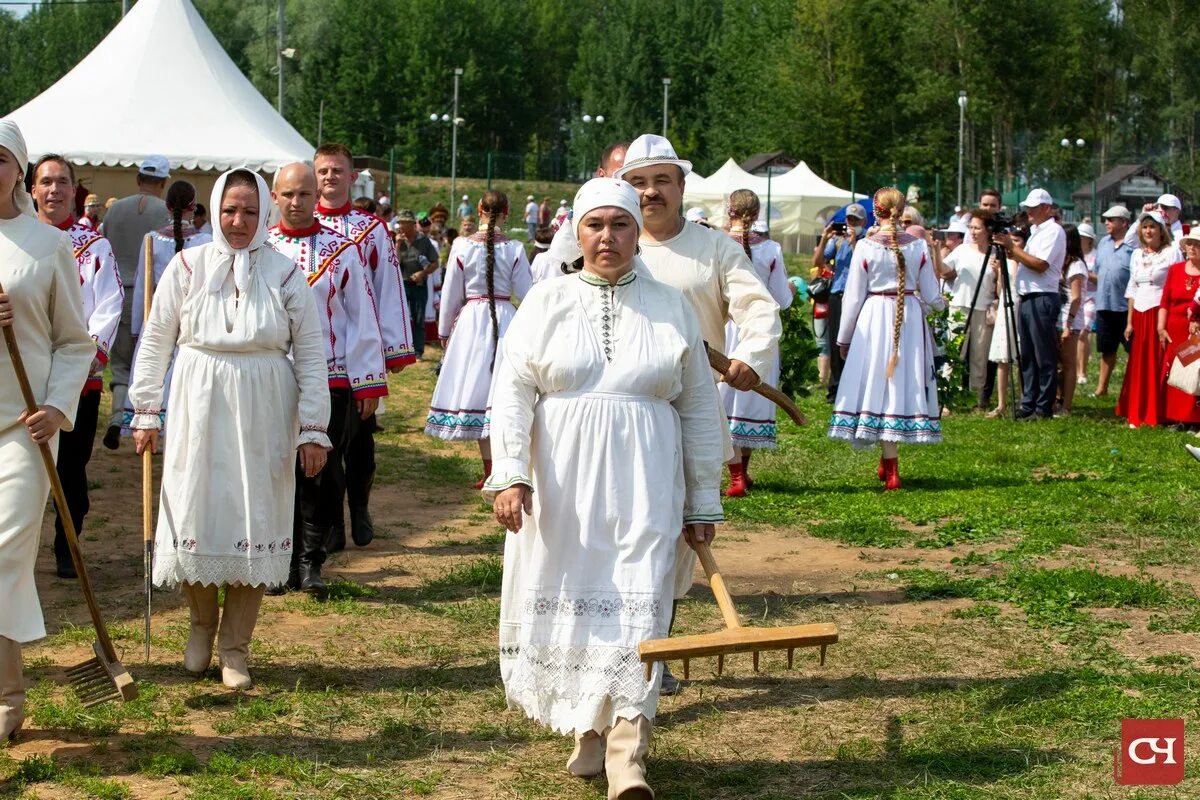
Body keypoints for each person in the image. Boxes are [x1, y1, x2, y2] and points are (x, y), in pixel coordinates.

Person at [486, 178, 724, 799]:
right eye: (596, 225)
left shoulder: (671, 304)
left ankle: (628, 751)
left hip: (647, 481)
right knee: (579, 605)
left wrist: (703, 497)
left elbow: (699, 408)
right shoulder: (546, 302)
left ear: (635, 231)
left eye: (620, 225)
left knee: (640, 603)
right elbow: (510, 393)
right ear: (578, 232)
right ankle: (587, 729)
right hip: (563, 487)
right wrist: (510, 473)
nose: (608, 237)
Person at [128, 169, 331, 689]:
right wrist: (146, 409)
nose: (238, 221)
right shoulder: (186, 266)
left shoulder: (285, 274)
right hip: (198, 398)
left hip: (265, 404)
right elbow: (156, 339)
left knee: (253, 514)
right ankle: (200, 627)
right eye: (228, 210)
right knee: (198, 505)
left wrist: (313, 427)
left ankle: (234, 646)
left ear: (264, 213)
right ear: (214, 211)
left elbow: (310, 353)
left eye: (248, 211)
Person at [614, 133, 779, 696]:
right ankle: (618, 653)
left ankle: (655, 651)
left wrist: (749, 359)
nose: (651, 193)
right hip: (617, 414)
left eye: (662, 181)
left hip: (690, 410)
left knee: (678, 536)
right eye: (639, 183)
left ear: (682, 188)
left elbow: (757, 306)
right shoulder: (608, 244)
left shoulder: (713, 249)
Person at [0, 120, 96, 740]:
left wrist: (59, 408)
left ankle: (6, 693)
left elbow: (74, 341)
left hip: (23, 427)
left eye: (0, 159)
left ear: (18, 170)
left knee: (2, 554)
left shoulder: (45, 243)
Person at [267, 163, 387, 594]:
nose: (296, 203)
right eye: (287, 195)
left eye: (304, 194)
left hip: (331, 377)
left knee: (320, 470)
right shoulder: (261, 249)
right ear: (275, 197)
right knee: (277, 469)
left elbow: (361, 318)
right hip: (271, 375)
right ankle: (279, 560)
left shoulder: (343, 250)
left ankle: (310, 562)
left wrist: (368, 381)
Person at [314, 142, 414, 549]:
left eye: (338, 170)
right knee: (325, 438)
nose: (329, 177)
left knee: (360, 436)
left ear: (353, 177)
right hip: (318, 349)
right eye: (323, 170)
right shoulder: (302, 223)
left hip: (361, 348)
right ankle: (332, 519)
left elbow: (388, 288)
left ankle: (359, 506)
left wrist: (391, 349)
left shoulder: (370, 230)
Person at [31, 155, 124, 579]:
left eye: (62, 182)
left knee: (70, 468)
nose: (54, 190)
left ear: (75, 191)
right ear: (32, 189)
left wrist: (88, 358)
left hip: (76, 381)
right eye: (45, 182)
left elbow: (108, 305)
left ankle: (67, 543)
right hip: (21, 375)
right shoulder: (16, 240)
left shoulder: (94, 247)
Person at [829, 187, 944, 488]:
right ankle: (890, 466)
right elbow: (932, 296)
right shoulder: (918, 246)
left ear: (876, 212)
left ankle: (890, 467)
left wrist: (844, 339)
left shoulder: (866, 246)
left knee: (879, 384)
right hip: (909, 316)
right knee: (901, 382)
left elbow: (853, 297)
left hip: (874, 316)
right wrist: (936, 308)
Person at [426, 191, 532, 487]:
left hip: (472, 322)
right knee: (502, 395)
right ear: (506, 212)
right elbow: (528, 293)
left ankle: (490, 470)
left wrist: (445, 331)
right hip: (506, 319)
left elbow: (449, 295)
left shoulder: (461, 246)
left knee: (480, 392)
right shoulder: (514, 248)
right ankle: (499, 468)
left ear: (480, 210)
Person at [121, 181, 213, 441]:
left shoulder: (152, 239)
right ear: (193, 208)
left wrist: (139, 328)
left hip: (159, 318)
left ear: (167, 205)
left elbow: (142, 286)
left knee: (158, 370)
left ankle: (157, 425)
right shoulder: (206, 240)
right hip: (194, 321)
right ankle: (176, 428)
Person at [720, 190, 792, 496]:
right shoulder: (771, 249)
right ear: (758, 211)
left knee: (722, 399)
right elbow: (783, 299)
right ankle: (743, 473)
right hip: (758, 330)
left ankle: (735, 475)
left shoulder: (717, 243)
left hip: (724, 328)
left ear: (729, 210)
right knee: (752, 394)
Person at [98, 155, 170, 450]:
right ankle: (154, 423)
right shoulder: (166, 212)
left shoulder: (115, 209)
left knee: (121, 364)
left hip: (119, 292)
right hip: (153, 295)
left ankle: (118, 416)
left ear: (139, 179)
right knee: (158, 362)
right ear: (163, 183)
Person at [994, 189, 1065, 420]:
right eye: (1028, 207)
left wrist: (1013, 249)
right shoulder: (1036, 231)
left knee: (1043, 355)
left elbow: (1041, 264)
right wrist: (1012, 252)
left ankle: (1043, 406)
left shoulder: (1053, 231)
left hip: (1042, 296)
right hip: (1028, 297)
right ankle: (1029, 402)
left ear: (1047, 208)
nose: (1029, 212)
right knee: (1028, 354)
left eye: (1034, 207)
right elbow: (1029, 260)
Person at [1116, 211, 1178, 428]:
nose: (1148, 231)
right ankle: (1137, 411)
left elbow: (1174, 286)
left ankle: (1159, 412)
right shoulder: (1136, 254)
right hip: (1140, 313)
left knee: (1158, 363)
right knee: (1139, 363)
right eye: (1145, 227)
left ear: (1162, 230)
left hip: (1160, 312)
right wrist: (1130, 321)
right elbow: (1132, 288)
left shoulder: (1171, 253)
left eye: (1153, 227)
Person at [942, 210, 998, 407]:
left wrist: (999, 269)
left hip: (983, 308)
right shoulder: (962, 250)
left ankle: (977, 398)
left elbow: (1000, 284)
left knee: (979, 356)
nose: (973, 232)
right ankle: (948, 399)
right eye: (971, 227)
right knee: (955, 353)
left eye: (977, 228)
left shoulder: (995, 253)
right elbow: (943, 270)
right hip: (959, 306)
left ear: (988, 230)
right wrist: (934, 251)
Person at [813, 203, 867, 402]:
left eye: (855, 220)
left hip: (857, 296)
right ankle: (835, 387)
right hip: (837, 294)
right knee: (835, 340)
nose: (851, 223)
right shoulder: (838, 241)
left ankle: (855, 385)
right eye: (848, 219)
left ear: (864, 221)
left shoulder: (867, 241)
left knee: (855, 341)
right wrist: (825, 238)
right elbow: (817, 262)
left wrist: (854, 243)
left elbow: (863, 266)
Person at [1159, 229, 1200, 429]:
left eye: (1197, 244)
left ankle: (1194, 419)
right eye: (1190, 243)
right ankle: (1176, 417)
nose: (1192, 247)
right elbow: (1165, 300)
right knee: (1173, 374)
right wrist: (1161, 327)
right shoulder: (1175, 269)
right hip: (1173, 329)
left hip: (1194, 331)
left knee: (1193, 373)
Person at [1093, 205, 1134, 396]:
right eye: (1105, 219)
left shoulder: (1134, 246)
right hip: (1104, 305)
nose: (1106, 223)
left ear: (1124, 222)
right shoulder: (1103, 243)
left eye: (1111, 219)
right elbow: (1098, 272)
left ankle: (1132, 389)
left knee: (1133, 351)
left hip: (1127, 307)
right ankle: (1102, 388)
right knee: (1107, 349)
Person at [987, 227, 1026, 417]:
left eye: (1017, 240)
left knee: (1022, 356)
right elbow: (1000, 290)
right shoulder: (1006, 262)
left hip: (1021, 304)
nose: (1013, 244)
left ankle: (1023, 399)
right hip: (1006, 306)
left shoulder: (1025, 261)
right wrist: (999, 273)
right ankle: (1001, 403)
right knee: (1003, 356)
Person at [394, 209, 440, 359]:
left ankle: (418, 350)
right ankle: (400, 349)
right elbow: (392, 263)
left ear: (412, 225)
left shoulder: (424, 241)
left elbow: (435, 263)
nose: (400, 226)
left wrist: (422, 273)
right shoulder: (397, 241)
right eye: (399, 223)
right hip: (401, 284)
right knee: (399, 317)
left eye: (404, 223)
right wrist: (397, 244)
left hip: (419, 285)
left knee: (418, 317)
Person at [1055, 225, 1088, 415]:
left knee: (1068, 363)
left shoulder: (1076, 265)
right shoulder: (1061, 261)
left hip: (1070, 321)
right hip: (1056, 318)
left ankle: (1066, 406)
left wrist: (1068, 324)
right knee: (1057, 362)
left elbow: (1075, 297)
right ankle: (1058, 400)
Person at [1076, 222, 1098, 386]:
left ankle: (1082, 371)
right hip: (1076, 297)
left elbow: (1100, 279)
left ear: (1090, 240)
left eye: (1083, 237)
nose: (1080, 240)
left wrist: (1086, 274)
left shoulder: (1096, 256)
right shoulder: (1073, 255)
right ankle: (1075, 368)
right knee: (1074, 334)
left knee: (1083, 332)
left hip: (1092, 296)